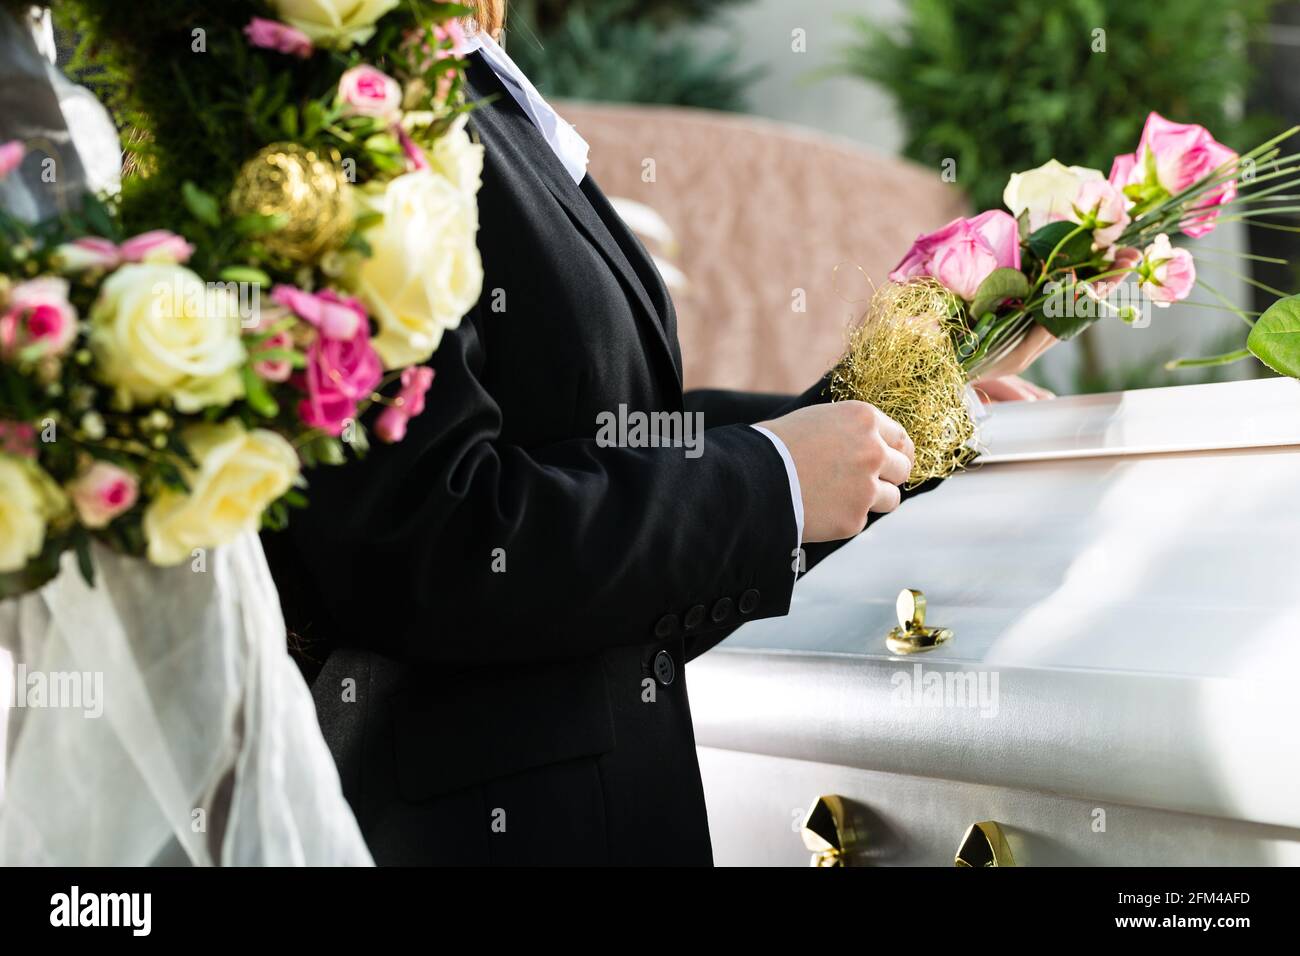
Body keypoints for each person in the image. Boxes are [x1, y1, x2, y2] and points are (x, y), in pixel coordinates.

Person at [264, 0, 1052, 865]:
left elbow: (600, 434)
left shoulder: (463, 77)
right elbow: (433, 541)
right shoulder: (339, 105)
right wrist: (772, 483)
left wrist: (909, 394)